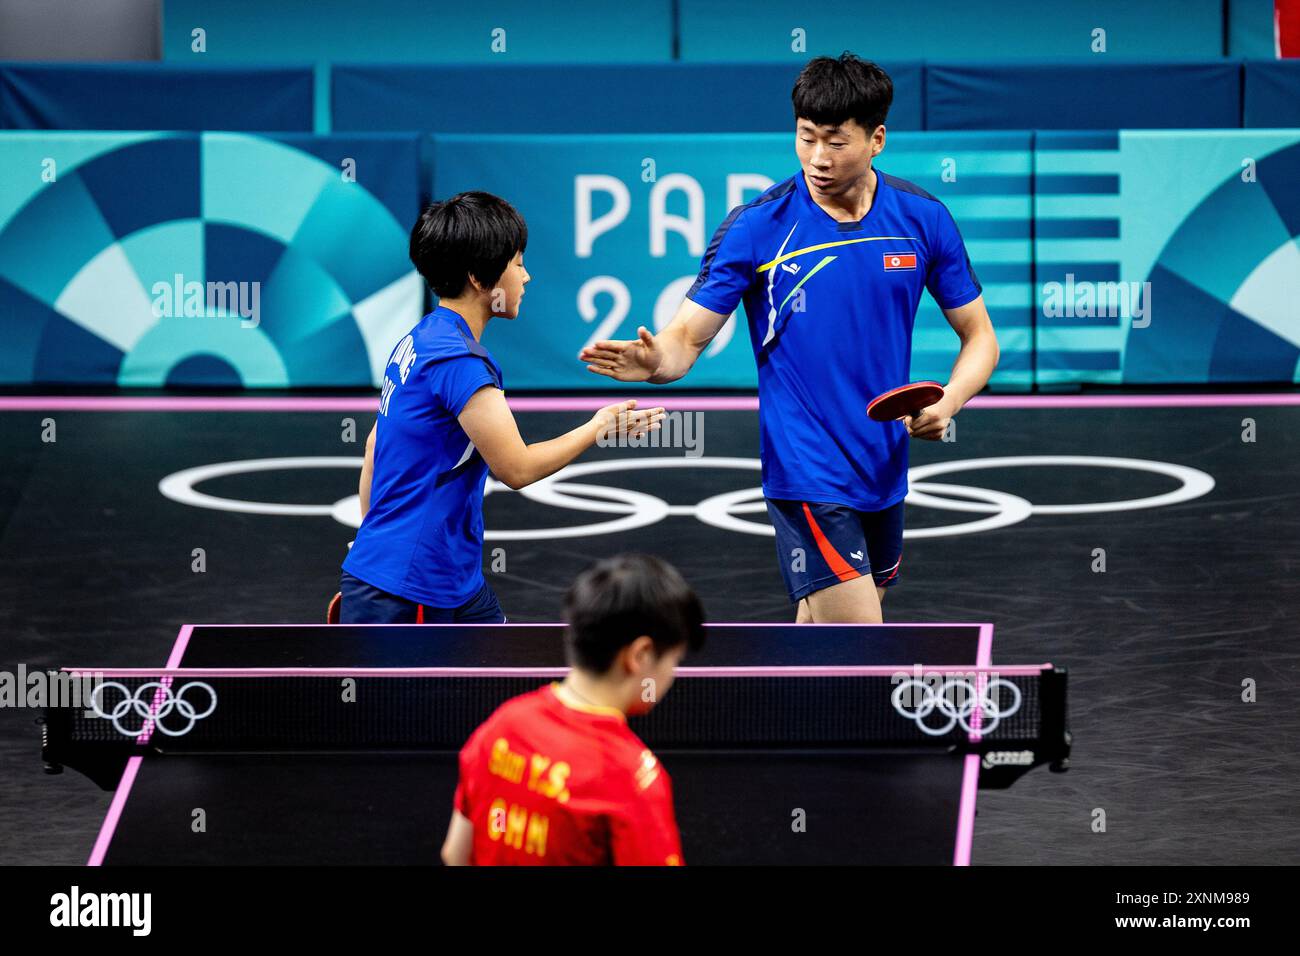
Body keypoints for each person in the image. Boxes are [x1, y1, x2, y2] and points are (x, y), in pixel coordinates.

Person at [580, 53, 1000, 624]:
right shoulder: (759, 226)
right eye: (805, 138)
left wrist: (949, 401)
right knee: (861, 646)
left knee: (823, 646)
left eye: (836, 141)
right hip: (806, 467)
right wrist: (655, 362)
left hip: (883, 463)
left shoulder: (923, 219)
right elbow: (685, 340)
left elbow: (980, 339)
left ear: (877, 139)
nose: (817, 158)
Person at [342, 192, 663, 624]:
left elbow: (374, 447)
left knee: (498, 677)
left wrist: (372, 539)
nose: (526, 277)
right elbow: (517, 469)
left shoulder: (420, 338)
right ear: (479, 278)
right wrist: (599, 427)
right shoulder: (459, 362)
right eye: (517, 264)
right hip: (410, 591)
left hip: (449, 579)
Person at [441, 553, 704, 865]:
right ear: (641, 655)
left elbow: (455, 854)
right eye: (673, 660)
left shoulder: (500, 727)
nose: (672, 675)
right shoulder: (632, 778)